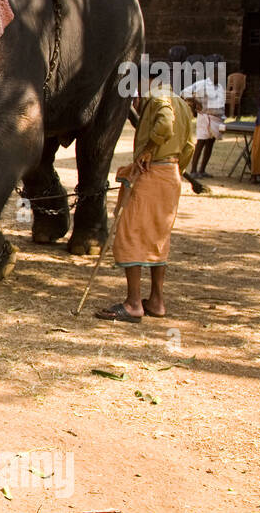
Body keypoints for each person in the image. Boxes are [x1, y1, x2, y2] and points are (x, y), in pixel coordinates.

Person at [95, 82, 195, 323]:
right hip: (171, 175)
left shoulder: (157, 96)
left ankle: (133, 304)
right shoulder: (181, 102)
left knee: (132, 234)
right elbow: (190, 144)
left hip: (152, 173)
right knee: (157, 237)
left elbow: (165, 123)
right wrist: (174, 169)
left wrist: (149, 150)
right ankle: (157, 301)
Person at [181, 53, 226, 178]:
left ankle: (202, 170)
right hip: (205, 118)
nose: (220, 76)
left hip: (216, 119)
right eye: (217, 73)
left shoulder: (220, 87)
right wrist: (195, 103)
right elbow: (184, 93)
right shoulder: (202, 84)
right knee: (200, 143)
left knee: (210, 144)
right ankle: (194, 170)